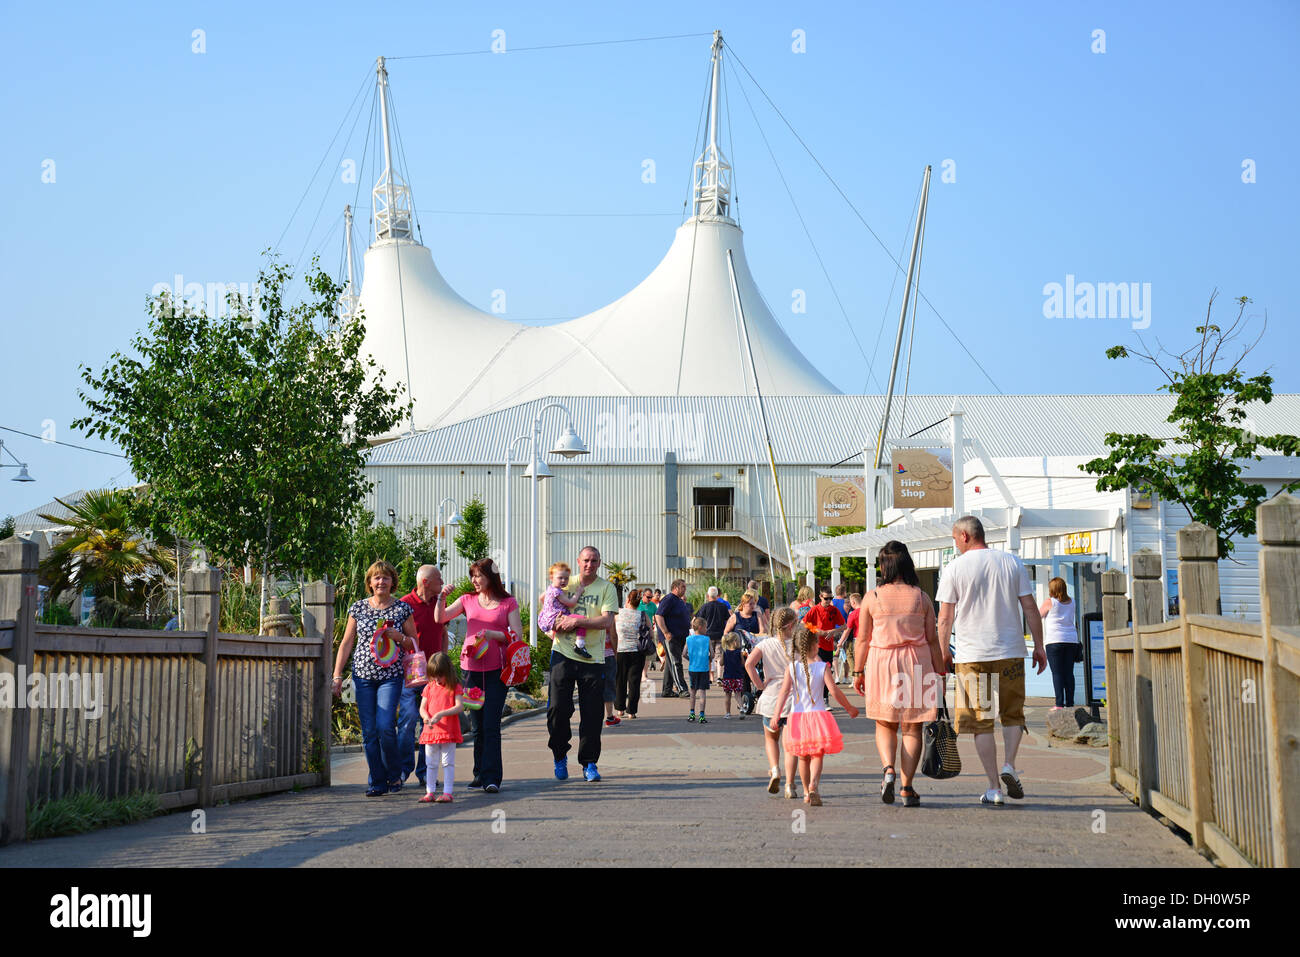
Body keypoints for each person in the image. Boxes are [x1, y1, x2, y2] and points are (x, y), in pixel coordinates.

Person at [936, 515, 1046, 805]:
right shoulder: (1012, 562)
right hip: (1010, 649)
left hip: (972, 655)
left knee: (981, 722)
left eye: (954, 538)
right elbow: (1030, 608)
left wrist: (943, 650)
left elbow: (945, 616)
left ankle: (994, 787)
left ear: (964, 536)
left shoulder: (955, 568)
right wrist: (1039, 646)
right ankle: (1010, 764)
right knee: (1013, 713)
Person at [854, 542, 945, 808]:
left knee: (885, 722)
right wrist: (939, 672)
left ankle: (888, 770)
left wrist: (858, 671)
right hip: (915, 662)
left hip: (882, 661)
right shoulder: (921, 596)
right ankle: (907, 787)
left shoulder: (872, 597)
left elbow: (862, 639)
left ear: (884, 566)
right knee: (913, 726)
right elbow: (932, 640)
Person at [434, 557, 522, 794]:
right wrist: (441, 597)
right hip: (471, 672)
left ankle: (492, 777)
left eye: (478, 575)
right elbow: (440, 618)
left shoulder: (508, 603)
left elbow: (518, 637)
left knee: (491, 724)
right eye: (472, 575)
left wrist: (495, 634)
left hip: (497, 673)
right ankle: (479, 774)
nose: (474, 580)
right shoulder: (467, 600)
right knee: (477, 726)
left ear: (490, 577)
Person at [331, 560, 419, 796]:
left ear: (392, 582)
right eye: (377, 578)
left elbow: (414, 642)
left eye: (386, 578)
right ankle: (377, 782)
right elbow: (347, 642)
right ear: (370, 583)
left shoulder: (402, 609)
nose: (381, 582)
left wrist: (399, 637)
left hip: (391, 676)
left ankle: (394, 773)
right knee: (369, 732)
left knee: (385, 727)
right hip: (363, 677)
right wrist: (337, 675)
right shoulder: (358, 608)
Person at [548, 545, 618, 782]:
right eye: (586, 560)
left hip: (593, 658)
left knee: (592, 714)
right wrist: (557, 624)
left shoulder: (607, 588)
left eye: (594, 561)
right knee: (557, 710)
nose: (590, 564)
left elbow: (606, 620)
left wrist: (577, 622)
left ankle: (589, 763)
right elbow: (549, 611)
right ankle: (560, 755)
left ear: (599, 563)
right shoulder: (565, 581)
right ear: (578, 561)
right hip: (562, 654)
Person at [769, 624, 859, 806]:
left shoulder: (792, 668)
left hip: (797, 717)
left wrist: (776, 715)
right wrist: (849, 707)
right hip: (818, 715)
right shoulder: (822, 667)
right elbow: (833, 691)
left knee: (803, 756)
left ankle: (804, 792)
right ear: (814, 646)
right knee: (817, 754)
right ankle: (814, 785)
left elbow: (784, 693)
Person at [398, 564, 448, 786]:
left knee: (429, 723)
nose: (442, 582)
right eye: (438, 579)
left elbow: (444, 633)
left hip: (434, 673)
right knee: (408, 719)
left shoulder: (440, 603)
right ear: (425, 582)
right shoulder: (404, 605)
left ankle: (425, 773)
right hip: (410, 673)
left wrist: (444, 662)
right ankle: (403, 769)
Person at [746, 607, 799, 797]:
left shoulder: (765, 644)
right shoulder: (798, 644)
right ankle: (790, 785)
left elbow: (748, 664)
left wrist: (760, 685)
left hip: (771, 697)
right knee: (791, 744)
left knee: (771, 738)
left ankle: (775, 769)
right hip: (794, 699)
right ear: (792, 625)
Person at [417, 652, 463, 804]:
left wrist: (441, 714)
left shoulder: (454, 686)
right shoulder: (429, 688)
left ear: (447, 672)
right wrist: (425, 716)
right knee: (430, 762)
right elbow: (422, 707)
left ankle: (447, 792)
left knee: (447, 762)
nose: (437, 679)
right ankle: (429, 792)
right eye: (434, 675)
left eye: (440, 675)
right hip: (431, 730)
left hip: (448, 731)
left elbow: (459, 706)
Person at [1039, 577, 1079, 710]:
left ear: (1052, 589)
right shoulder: (1072, 601)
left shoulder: (1050, 602)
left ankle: (1059, 704)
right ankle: (1070, 703)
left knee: (1057, 673)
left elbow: (1039, 615)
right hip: (1071, 640)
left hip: (1054, 640)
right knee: (1069, 672)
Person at [803, 588, 846, 702]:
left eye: (830, 598)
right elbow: (804, 623)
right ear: (820, 597)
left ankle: (825, 698)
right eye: (826, 598)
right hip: (816, 646)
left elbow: (844, 626)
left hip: (828, 646)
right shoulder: (815, 609)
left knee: (827, 673)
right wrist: (818, 631)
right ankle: (815, 697)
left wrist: (833, 631)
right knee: (816, 672)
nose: (828, 601)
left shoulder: (834, 610)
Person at [538, 562, 588, 657]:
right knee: (581, 620)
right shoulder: (557, 592)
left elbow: (541, 598)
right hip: (556, 618)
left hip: (548, 618)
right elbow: (571, 603)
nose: (563, 581)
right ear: (551, 578)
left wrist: (547, 610)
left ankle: (551, 631)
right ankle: (580, 644)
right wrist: (578, 592)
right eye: (560, 578)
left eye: (566, 578)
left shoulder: (549, 589)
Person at [614, 588, 650, 718]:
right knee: (634, 682)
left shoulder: (618, 614)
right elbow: (650, 633)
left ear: (628, 600)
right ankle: (632, 711)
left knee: (620, 681)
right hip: (637, 651)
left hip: (620, 651)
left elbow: (611, 631)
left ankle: (620, 709)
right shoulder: (642, 615)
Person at [655, 579, 693, 698]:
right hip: (671, 637)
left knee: (670, 663)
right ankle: (682, 689)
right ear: (675, 588)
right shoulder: (669, 599)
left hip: (680, 636)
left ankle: (667, 690)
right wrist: (666, 632)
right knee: (676, 662)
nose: (685, 589)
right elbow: (658, 615)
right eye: (683, 587)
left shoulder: (678, 600)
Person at [684, 617, 711, 723]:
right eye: (705, 627)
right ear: (700, 627)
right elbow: (712, 654)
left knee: (693, 692)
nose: (706, 629)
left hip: (693, 668)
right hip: (704, 668)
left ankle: (691, 713)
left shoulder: (689, 639)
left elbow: (684, 653)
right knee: (702, 692)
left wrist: (690, 659)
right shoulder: (707, 639)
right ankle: (702, 715)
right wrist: (708, 658)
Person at [717, 632, 746, 718]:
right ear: (735, 642)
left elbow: (721, 663)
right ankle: (741, 708)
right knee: (738, 695)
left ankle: (728, 713)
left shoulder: (725, 652)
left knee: (727, 696)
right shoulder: (739, 652)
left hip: (727, 678)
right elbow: (743, 664)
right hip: (738, 677)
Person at [697, 586, 730, 661]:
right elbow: (728, 620)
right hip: (720, 635)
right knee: (719, 657)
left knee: (708, 657)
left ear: (707, 595)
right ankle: (719, 673)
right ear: (718, 595)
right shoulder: (723, 606)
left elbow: (699, 620)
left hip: (707, 635)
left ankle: (709, 672)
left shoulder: (704, 607)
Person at [835, 592, 862, 684]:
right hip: (871, 639)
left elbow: (847, 630)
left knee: (855, 660)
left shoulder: (853, 614)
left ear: (853, 602)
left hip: (858, 639)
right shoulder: (868, 611)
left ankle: (857, 679)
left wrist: (840, 642)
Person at [638, 587, 659, 672]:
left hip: (648, 631)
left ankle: (645, 673)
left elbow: (657, 617)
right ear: (643, 595)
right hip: (638, 632)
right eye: (648, 597)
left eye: (651, 597)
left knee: (647, 654)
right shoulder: (638, 604)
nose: (650, 599)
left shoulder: (653, 605)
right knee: (638, 653)